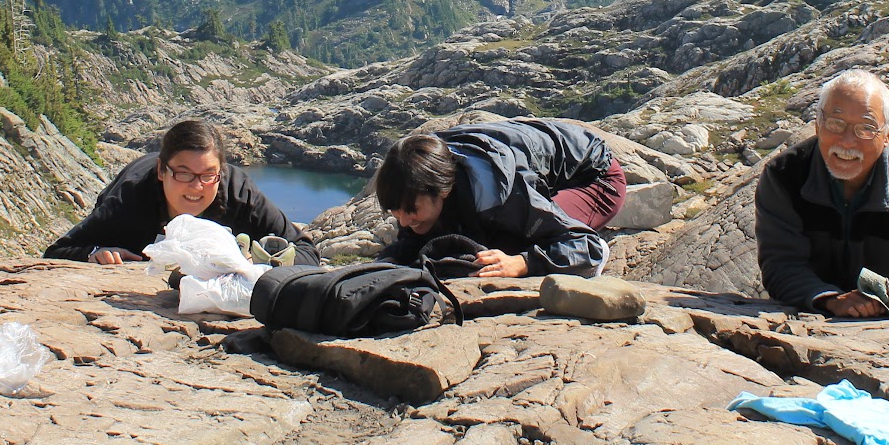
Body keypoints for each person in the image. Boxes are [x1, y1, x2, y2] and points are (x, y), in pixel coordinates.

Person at [754, 68, 889, 317]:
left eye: (866, 128)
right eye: (836, 124)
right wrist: (831, 300)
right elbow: (781, 265)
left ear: (887, 133)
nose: (847, 141)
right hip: (810, 312)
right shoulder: (784, 176)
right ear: (817, 124)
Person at [374, 117, 626, 278]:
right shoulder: (422, 179)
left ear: (443, 190)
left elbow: (583, 245)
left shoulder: (502, 191)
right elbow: (411, 239)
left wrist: (524, 262)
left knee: (507, 252)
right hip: (535, 171)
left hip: (595, 177)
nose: (404, 221)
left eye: (410, 211)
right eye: (395, 212)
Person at [45, 118, 319, 266]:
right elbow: (58, 251)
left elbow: (307, 252)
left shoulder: (239, 194)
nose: (196, 187)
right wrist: (95, 252)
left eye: (208, 175)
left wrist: (261, 261)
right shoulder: (128, 200)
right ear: (162, 171)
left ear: (220, 172)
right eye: (184, 173)